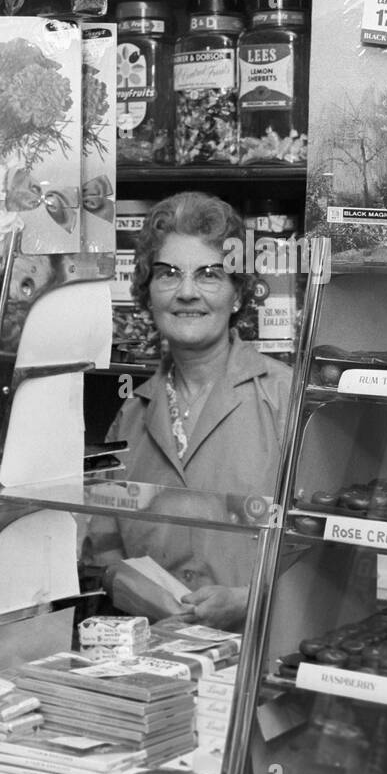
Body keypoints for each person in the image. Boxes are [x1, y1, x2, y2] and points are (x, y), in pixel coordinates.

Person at [90, 192, 293, 630]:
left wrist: (249, 599)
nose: (186, 292)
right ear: (147, 293)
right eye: (167, 275)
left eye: (209, 274)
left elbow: (328, 555)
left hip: (258, 668)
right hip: (153, 664)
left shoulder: (287, 399)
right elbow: (101, 543)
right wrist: (118, 579)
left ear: (238, 293)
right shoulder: (131, 415)